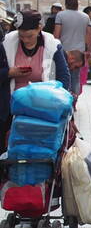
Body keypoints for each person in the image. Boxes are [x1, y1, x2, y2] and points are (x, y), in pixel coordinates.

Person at [0, 11, 73, 146]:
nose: (25, 40)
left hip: (44, 108)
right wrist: (9, 72)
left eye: (29, 36)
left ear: (39, 28)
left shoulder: (52, 45)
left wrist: (58, 102)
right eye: (21, 36)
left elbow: (64, 77)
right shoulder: (7, 44)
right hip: (13, 109)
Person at [54, 0, 91, 104]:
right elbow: (89, 35)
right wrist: (89, 50)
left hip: (63, 51)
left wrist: (54, 49)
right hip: (79, 53)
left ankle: (63, 100)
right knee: (76, 77)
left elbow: (57, 34)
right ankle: (74, 101)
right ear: (77, 4)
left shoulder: (60, 15)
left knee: (62, 75)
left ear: (66, 4)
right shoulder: (85, 17)